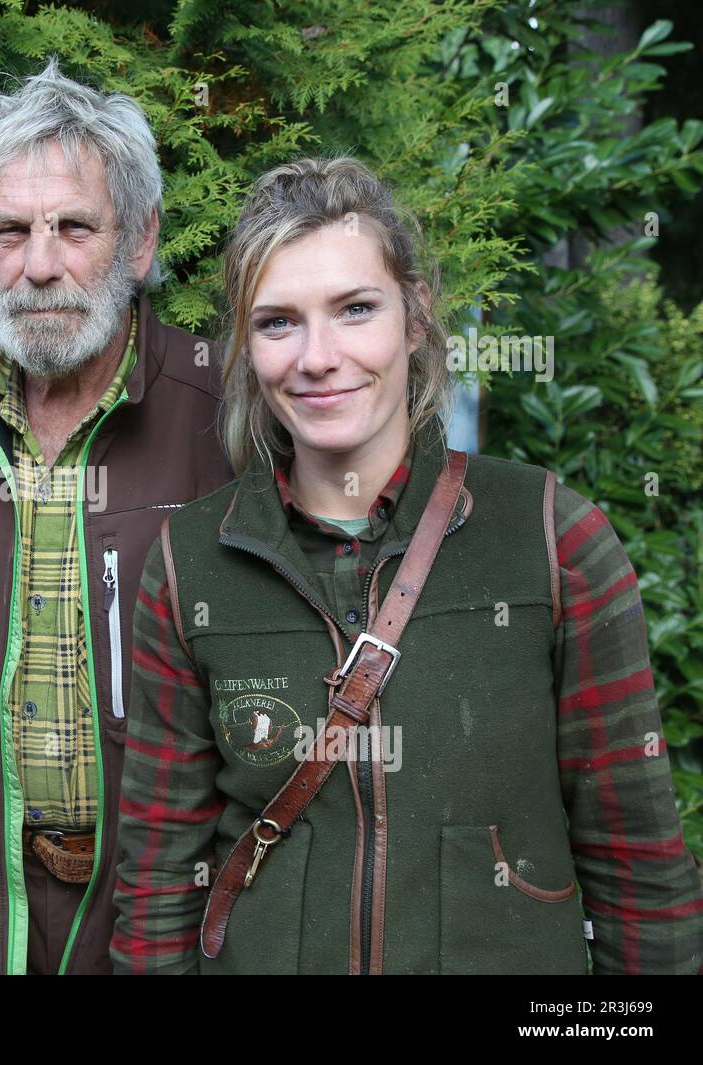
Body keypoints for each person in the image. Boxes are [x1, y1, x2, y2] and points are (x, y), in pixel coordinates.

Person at [112, 155, 703, 974]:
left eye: (355, 309)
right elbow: (158, 881)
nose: (318, 357)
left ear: (416, 316)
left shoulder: (553, 539)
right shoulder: (190, 563)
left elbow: (639, 870)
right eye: (278, 321)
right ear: (246, 347)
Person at [0, 59, 232, 974]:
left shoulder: (227, 417)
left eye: (74, 226)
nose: (39, 266)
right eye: (9, 231)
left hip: (166, 908)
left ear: (141, 239)